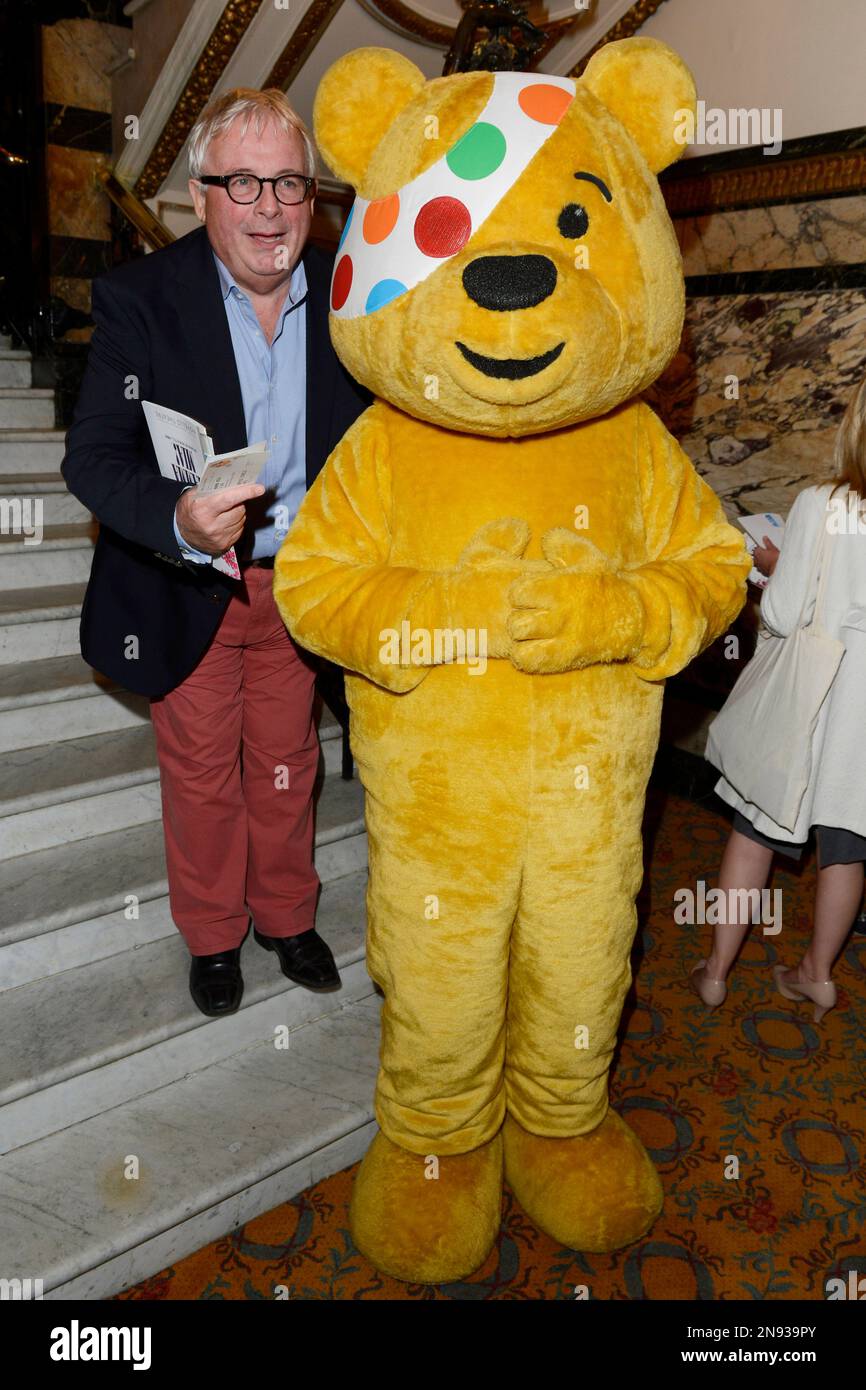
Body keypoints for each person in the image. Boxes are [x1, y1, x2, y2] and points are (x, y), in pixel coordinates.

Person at [62, 88, 370, 1017]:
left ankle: (285, 916)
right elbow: (94, 458)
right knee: (201, 774)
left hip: (302, 589)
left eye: (288, 182)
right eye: (243, 181)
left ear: (311, 197)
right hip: (188, 586)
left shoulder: (355, 302)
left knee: (288, 761)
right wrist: (181, 519)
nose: (269, 206)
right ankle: (213, 936)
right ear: (200, 196)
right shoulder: (138, 303)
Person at [691, 374, 866, 1019]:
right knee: (846, 847)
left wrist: (772, 568)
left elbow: (788, 615)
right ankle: (817, 975)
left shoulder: (826, 502)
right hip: (864, 723)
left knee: (754, 833)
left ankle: (715, 972)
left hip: (812, 700)